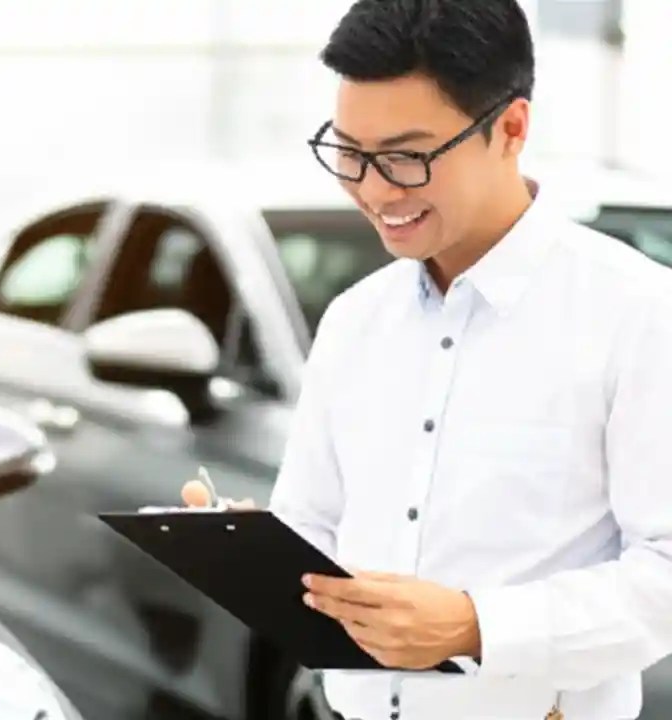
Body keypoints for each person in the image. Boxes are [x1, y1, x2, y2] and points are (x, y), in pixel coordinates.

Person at [183, 1, 672, 718]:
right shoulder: (354, 322)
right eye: (349, 154)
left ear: (510, 129)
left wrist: (477, 626)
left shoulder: (636, 313)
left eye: (407, 158)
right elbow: (315, 524)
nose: (375, 191)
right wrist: (252, 550)